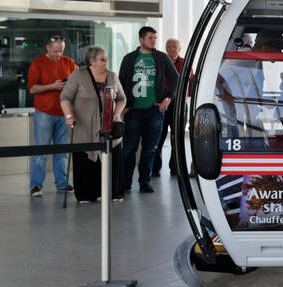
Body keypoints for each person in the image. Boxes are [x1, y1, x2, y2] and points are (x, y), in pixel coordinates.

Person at [60, 46, 126, 204]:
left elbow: (122, 98)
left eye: (106, 58)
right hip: (85, 127)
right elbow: (65, 97)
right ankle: (86, 194)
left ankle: (113, 192)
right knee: (86, 161)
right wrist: (69, 115)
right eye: (102, 59)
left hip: (109, 127)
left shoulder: (112, 76)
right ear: (92, 61)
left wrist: (117, 113)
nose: (106, 61)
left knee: (112, 159)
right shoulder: (78, 75)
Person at [118, 27, 179, 194]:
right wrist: (123, 105)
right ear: (141, 39)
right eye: (150, 38)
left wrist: (168, 98)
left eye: (155, 38)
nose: (154, 41)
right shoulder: (129, 58)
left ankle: (145, 182)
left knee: (150, 149)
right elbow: (121, 82)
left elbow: (175, 78)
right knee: (129, 149)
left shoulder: (161, 58)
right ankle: (125, 183)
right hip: (133, 111)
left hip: (154, 111)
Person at [215, 29, 283, 146]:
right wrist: (231, 100)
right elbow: (215, 82)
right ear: (265, 48)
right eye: (278, 49)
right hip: (224, 119)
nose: (280, 53)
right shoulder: (243, 58)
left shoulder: (255, 61)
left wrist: (261, 101)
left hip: (233, 118)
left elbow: (242, 92)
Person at [26, 33, 77, 197]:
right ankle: (36, 185)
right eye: (55, 51)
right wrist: (52, 86)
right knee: (41, 152)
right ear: (48, 48)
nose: (58, 54)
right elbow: (32, 88)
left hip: (64, 113)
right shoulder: (38, 63)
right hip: (44, 113)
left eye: (61, 51)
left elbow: (78, 82)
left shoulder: (69, 62)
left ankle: (62, 184)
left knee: (62, 152)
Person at [151, 38, 186, 177]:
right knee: (158, 137)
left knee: (176, 138)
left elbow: (186, 83)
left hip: (178, 105)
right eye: (169, 47)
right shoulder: (159, 63)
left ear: (179, 49)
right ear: (165, 48)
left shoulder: (185, 63)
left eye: (174, 47)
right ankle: (155, 168)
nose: (171, 49)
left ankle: (175, 168)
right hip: (161, 105)